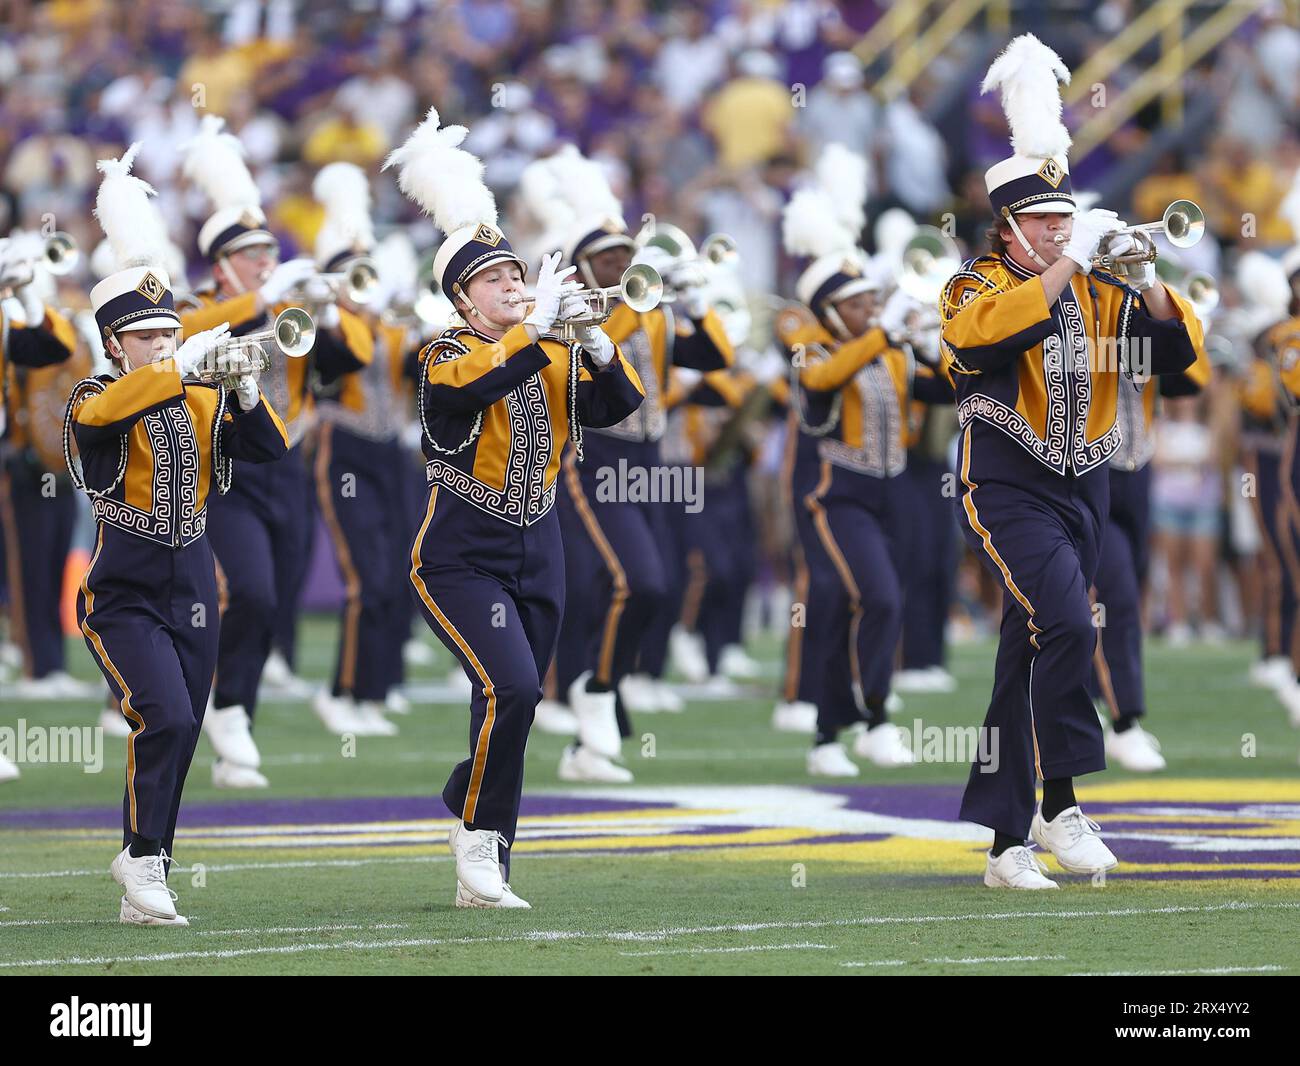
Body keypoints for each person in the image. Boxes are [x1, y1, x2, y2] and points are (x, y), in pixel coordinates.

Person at [940, 36, 1201, 889]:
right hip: (1005, 485)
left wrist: (1148, 278)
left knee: (1030, 647)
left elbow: (1176, 360)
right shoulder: (975, 283)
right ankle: (1062, 802)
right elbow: (975, 342)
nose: (1060, 231)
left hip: (1086, 485)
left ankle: (1003, 843)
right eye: (1045, 222)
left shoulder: (1096, 284)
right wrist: (1070, 265)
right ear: (1009, 227)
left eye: (1066, 219)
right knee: (1070, 625)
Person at [385, 108, 645, 908]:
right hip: (460, 552)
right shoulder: (444, 351)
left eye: (515, 275)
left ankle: (486, 848)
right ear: (462, 299)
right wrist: (537, 329)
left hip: (542, 543)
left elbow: (619, 408)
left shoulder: (548, 344)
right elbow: (476, 386)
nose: (513, 286)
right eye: (495, 280)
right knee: (517, 689)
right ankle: (476, 835)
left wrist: (597, 344)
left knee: (511, 703)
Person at [65, 145, 286, 924]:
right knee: (164, 714)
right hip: (123, 590)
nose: (163, 346)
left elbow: (270, 451)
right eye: (148, 338)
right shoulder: (93, 396)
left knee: (186, 724)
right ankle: (144, 860)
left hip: (192, 579)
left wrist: (247, 389)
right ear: (115, 345)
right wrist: (177, 368)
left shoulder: (197, 398)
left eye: (169, 335)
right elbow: (101, 418)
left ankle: (147, 856)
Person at [179, 116, 377, 788]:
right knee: (252, 591)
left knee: (280, 596)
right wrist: (259, 300)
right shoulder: (198, 306)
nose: (266, 263)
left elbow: (352, 357)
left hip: (286, 462)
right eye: (251, 255)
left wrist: (327, 308)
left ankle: (236, 716)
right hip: (224, 466)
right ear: (222, 265)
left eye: (268, 252)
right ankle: (226, 706)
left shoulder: (287, 306)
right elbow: (185, 334)